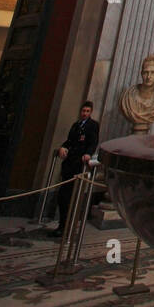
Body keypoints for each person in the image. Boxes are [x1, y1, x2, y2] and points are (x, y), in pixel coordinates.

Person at [52, 101, 99, 237]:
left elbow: (93, 142)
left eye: (87, 111)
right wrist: (63, 147)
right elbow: (69, 141)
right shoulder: (76, 125)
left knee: (72, 195)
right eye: (83, 111)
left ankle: (68, 226)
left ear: (91, 112)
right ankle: (62, 224)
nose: (84, 113)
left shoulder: (93, 126)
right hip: (69, 163)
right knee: (63, 195)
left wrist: (88, 154)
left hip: (79, 164)